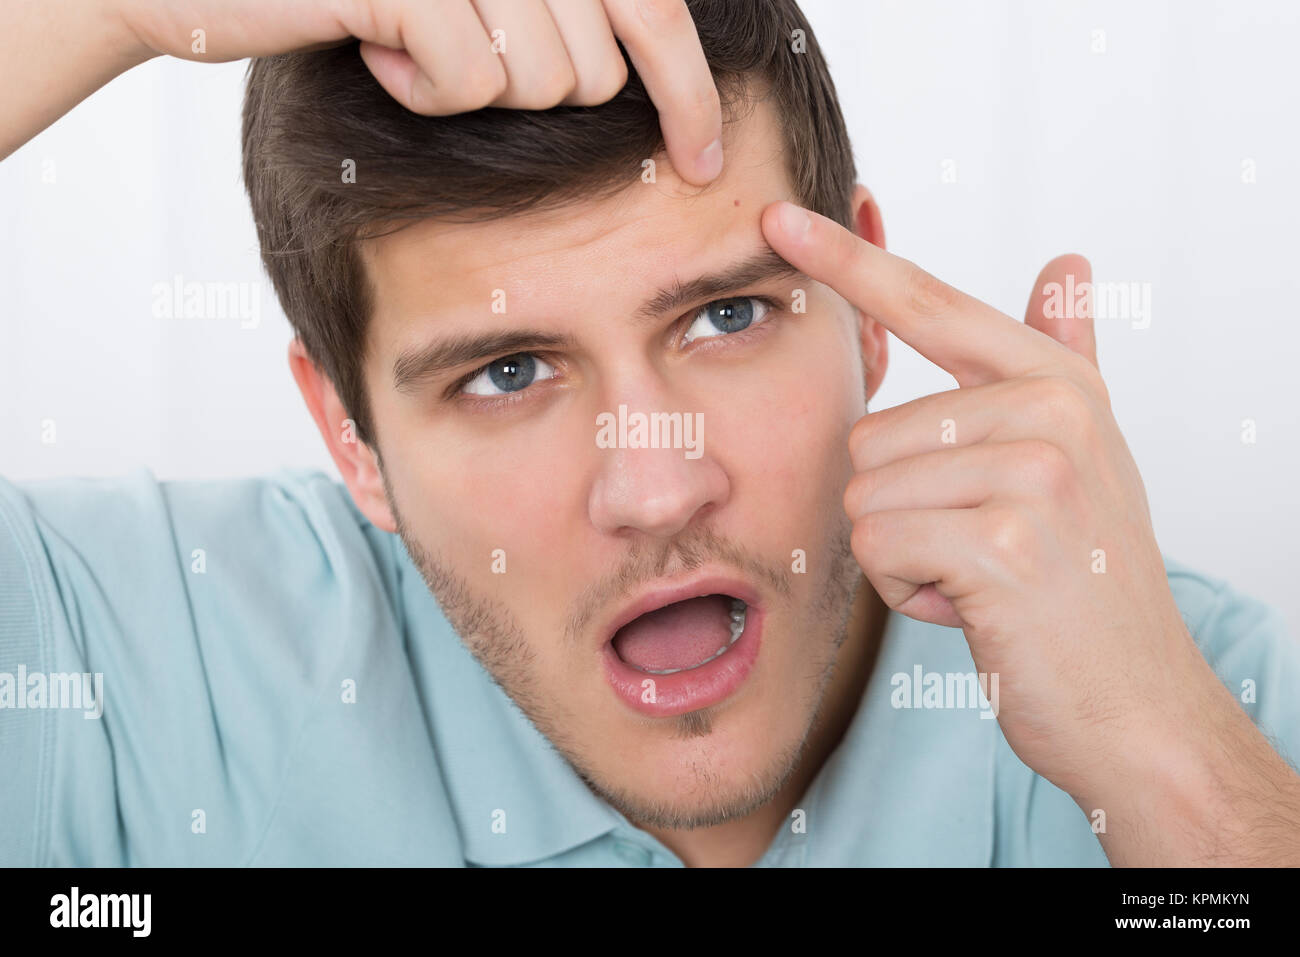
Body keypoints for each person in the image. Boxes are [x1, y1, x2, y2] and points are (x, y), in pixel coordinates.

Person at [2, 0, 1298, 868]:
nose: (658, 483)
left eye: (727, 314)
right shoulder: (137, 670)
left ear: (861, 311)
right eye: (508, 370)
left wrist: (1168, 763)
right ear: (350, 435)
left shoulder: (1219, 708)